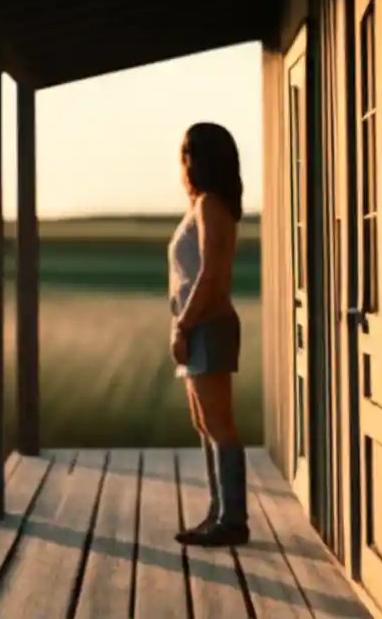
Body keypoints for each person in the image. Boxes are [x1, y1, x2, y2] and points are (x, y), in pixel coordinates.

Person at [167, 121, 248, 547]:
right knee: (204, 422)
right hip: (200, 325)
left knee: (219, 423)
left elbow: (212, 276)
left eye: (185, 155)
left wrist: (183, 326)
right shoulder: (204, 204)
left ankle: (233, 520)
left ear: (198, 161)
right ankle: (218, 513)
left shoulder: (210, 205)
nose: (180, 165)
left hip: (208, 324)